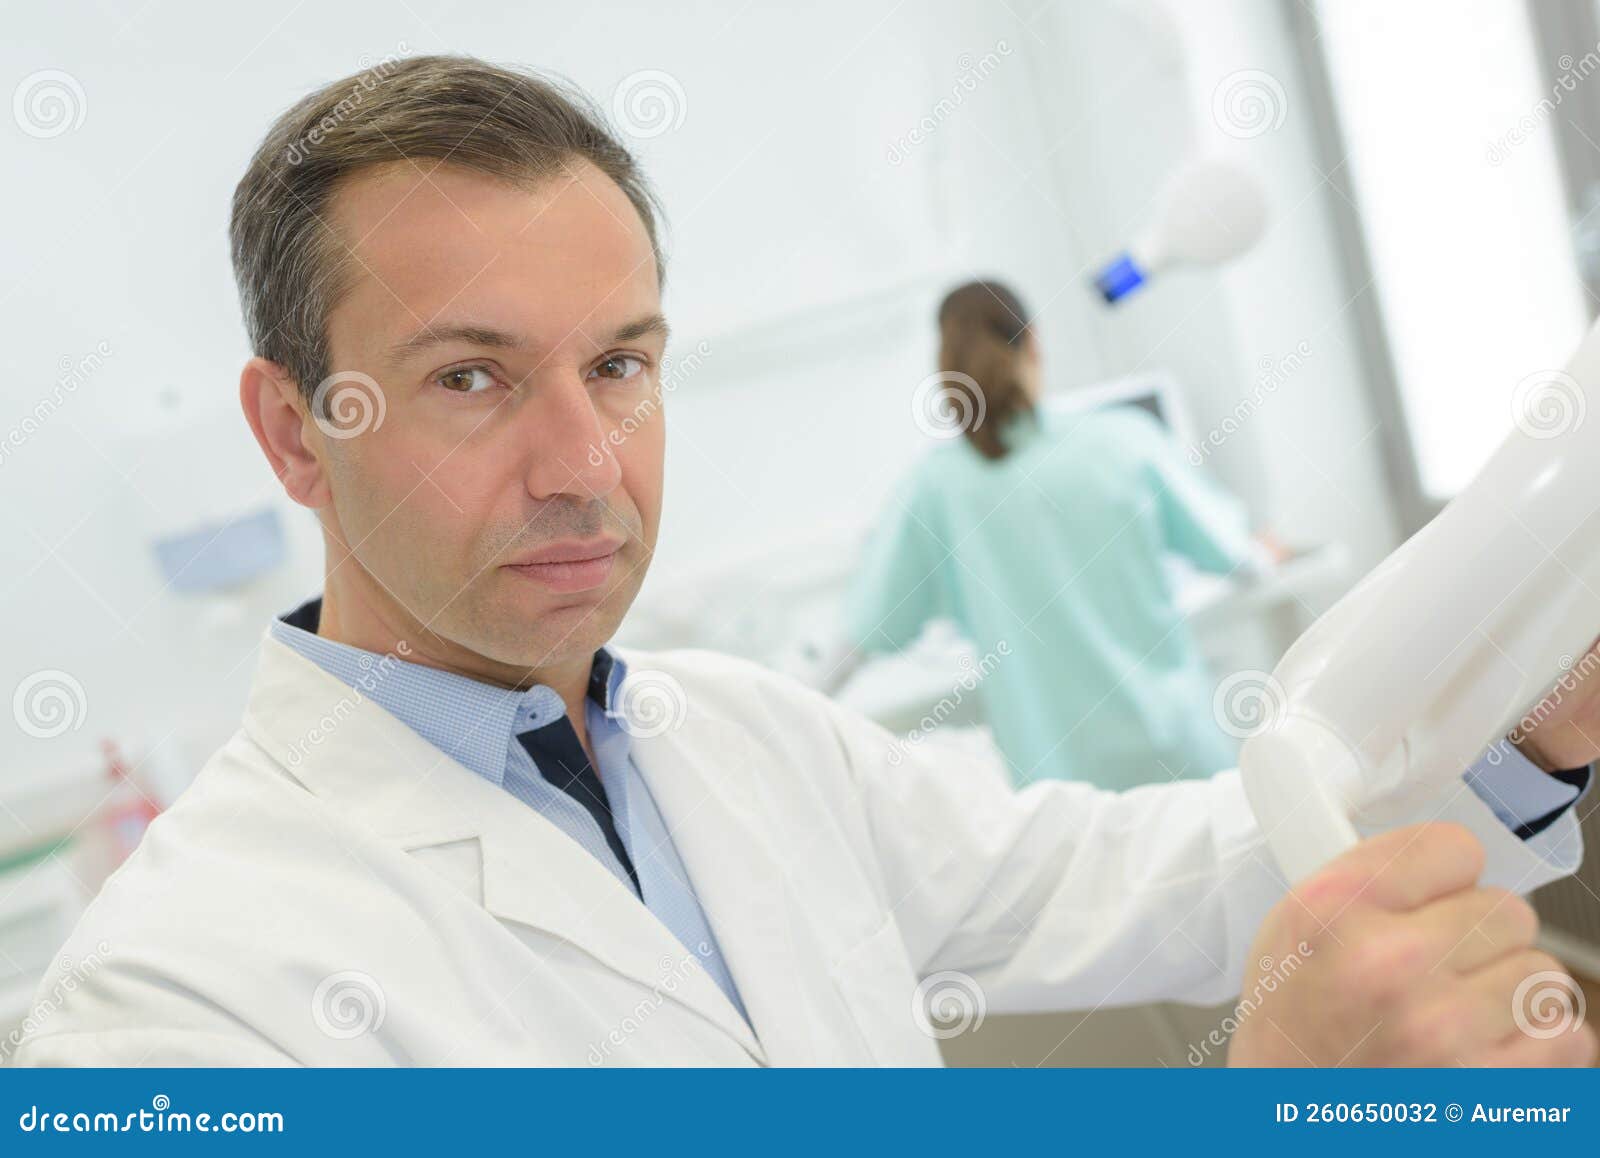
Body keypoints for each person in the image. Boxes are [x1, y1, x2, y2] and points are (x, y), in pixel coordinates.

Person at [8, 56, 1594, 1068]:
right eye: (470, 377)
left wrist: (1536, 734)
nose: (584, 467)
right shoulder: (169, 1015)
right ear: (295, 434)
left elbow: (1171, 877)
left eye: (620, 364)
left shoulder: (744, 740)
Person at [847, 280, 1268, 789]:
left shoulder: (937, 485)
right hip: (1180, 764)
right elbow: (1234, 556)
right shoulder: (1123, 441)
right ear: (1034, 343)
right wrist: (1261, 548)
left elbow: (875, 628)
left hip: (1066, 802)